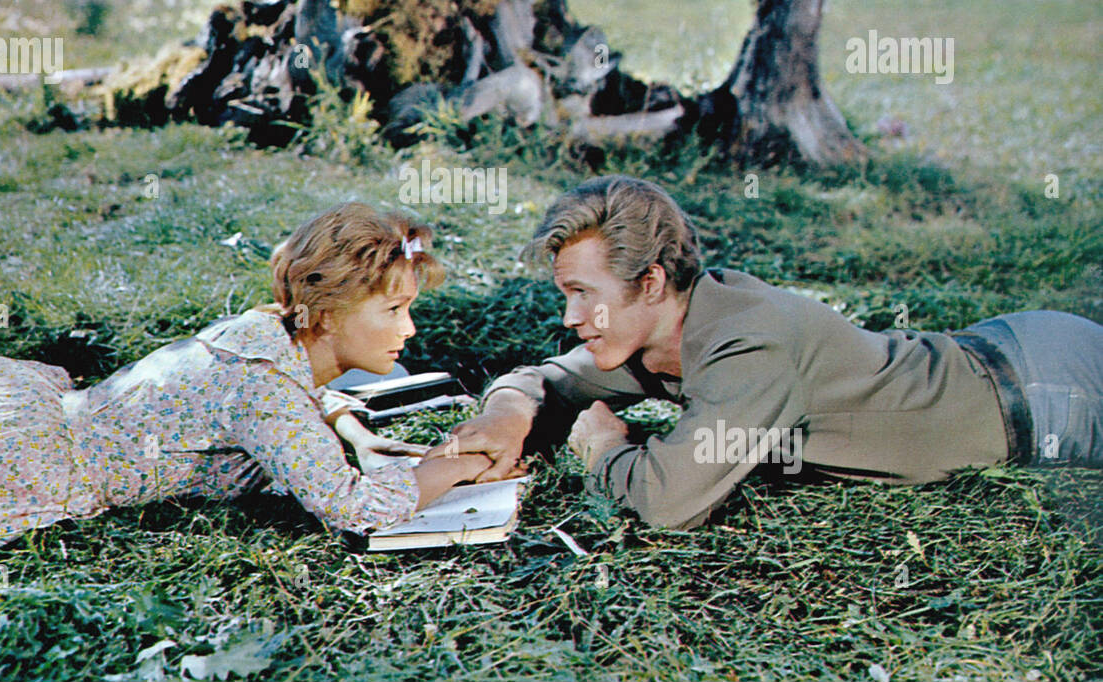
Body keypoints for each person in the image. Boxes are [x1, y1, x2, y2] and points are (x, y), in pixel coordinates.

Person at [0, 203, 491, 610]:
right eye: (396, 308)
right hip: (27, 459)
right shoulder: (262, 386)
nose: (410, 329)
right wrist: (455, 465)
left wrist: (356, 433)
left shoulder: (267, 331)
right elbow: (355, 509)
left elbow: (299, 401)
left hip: (36, 416)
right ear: (331, 313)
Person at [446, 175, 1103, 530]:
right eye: (566, 295)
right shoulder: (663, 333)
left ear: (649, 283)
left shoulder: (745, 346)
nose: (572, 319)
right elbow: (547, 379)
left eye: (585, 295)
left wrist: (605, 453)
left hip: (1046, 388)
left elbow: (669, 502)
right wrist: (509, 416)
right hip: (1006, 354)